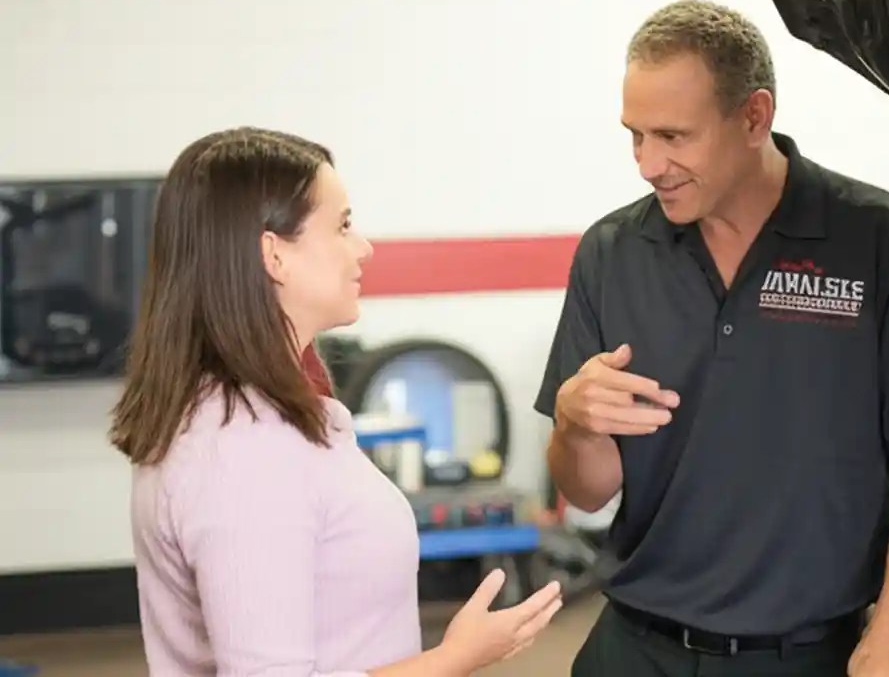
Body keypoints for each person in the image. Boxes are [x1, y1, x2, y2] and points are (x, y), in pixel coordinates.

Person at [536, 0, 889, 676]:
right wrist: (573, 426)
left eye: (674, 136)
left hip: (805, 657)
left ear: (754, 117)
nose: (648, 164)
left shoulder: (879, 240)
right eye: (634, 135)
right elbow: (590, 490)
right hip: (633, 648)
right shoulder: (612, 252)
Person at [109, 126, 563, 676]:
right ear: (274, 255)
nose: (363, 247)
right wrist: (455, 658)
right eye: (343, 226)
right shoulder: (244, 450)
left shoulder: (251, 418)